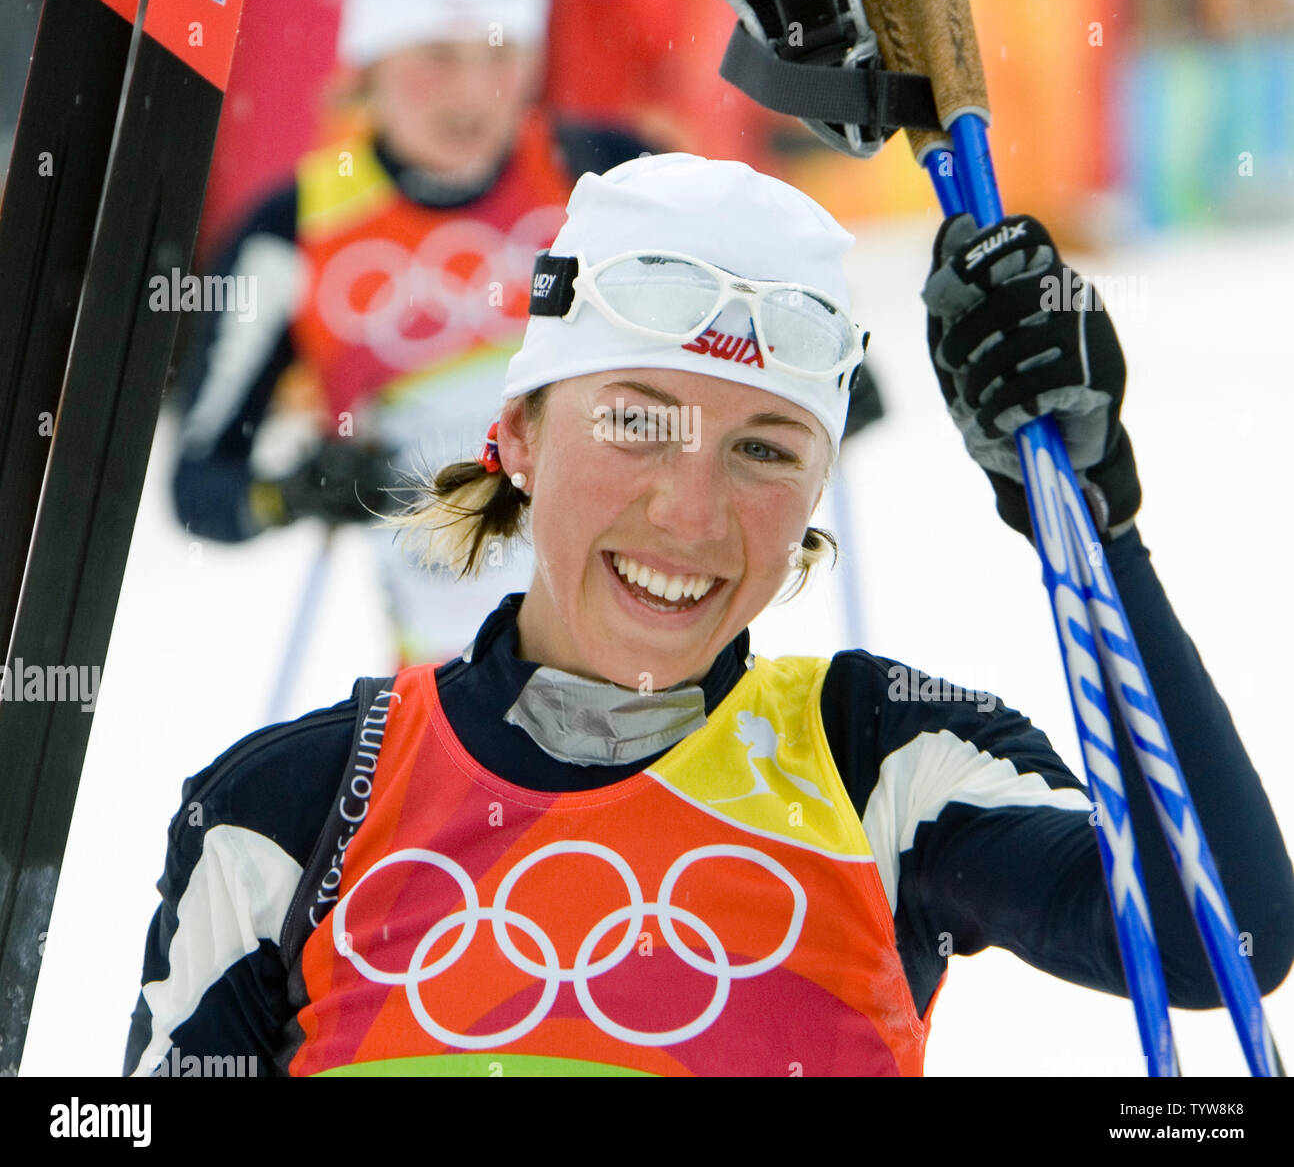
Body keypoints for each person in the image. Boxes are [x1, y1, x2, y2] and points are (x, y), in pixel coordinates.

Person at [127, 155, 1292, 1077]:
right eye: (636, 420)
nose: (691, 513)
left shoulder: (880, 758)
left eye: (763, 450)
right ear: (520, 434)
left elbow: (1221, 941)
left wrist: (1093, 533)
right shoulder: (288, 813)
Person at [171, 0, 651, 664]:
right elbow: (199, 487)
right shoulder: (292, 230)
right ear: (370, 65)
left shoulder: (610, 174)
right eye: (435, 58)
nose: (470, 91)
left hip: (641, 646)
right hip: (450, 681)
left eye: (499, 54)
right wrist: (291, 493)